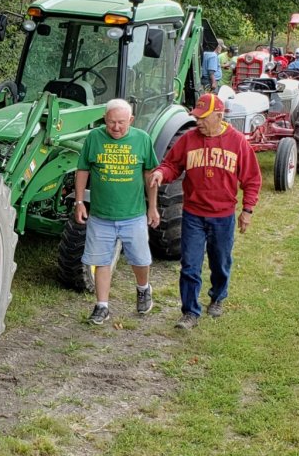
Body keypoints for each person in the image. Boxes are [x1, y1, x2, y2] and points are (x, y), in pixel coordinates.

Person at [150, 93, 261, 330]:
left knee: (220, 262)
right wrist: (161, 173)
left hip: (223, 216)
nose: (198, 122)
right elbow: (172, 165)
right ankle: (190, 312)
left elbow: (252, 179)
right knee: (190, 265)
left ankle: (218, 297)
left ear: (219, 116)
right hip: (193, 214)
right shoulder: (188, 139)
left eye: (203, 117)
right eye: (196, 117)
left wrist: (247, 210)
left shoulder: (237, 142)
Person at [74, 99, 159, 325]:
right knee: (101, 260)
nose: (116, 127)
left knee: (140, 259)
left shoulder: (142, 139)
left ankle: (143, 288)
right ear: (105, 119)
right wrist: (79, 202)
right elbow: (82, 170)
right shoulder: (94, 138)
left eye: (121, 122)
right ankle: (102, 306)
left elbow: (150, 175)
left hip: (133, 214)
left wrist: (152, 207)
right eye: (111, 122)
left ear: (131, 120)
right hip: (101, 215)